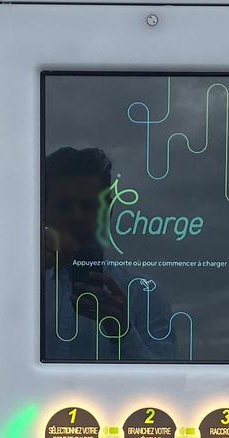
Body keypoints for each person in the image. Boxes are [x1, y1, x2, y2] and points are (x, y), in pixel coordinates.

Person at [41, 144, 178, 362]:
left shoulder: (145, 295)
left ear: (109, 211)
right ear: (43, 211)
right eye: (64, 206)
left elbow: (166, 384)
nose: (77, 216)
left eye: (89, 205)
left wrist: (122, 333)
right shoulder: (19, 284)